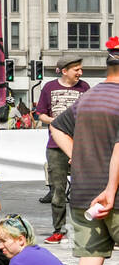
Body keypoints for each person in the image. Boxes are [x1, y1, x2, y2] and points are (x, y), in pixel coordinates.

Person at [48, 39, 119, 265]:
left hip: (83, 196)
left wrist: (79, 157)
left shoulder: (88, 97)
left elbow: (59, 129)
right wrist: (111, 186)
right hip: (112, 197)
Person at [36, 55, 89, 242]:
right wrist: (57, 122)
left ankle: (83, 230)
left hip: (80, 145)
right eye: (77, 69)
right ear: (64, 71)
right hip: (55, 146)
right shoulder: (49, 88)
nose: (80, 73)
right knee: (58, 190)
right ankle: (59, 230)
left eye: (81, 69)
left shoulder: (85, 88)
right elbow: (41, 114)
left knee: (83, 190)